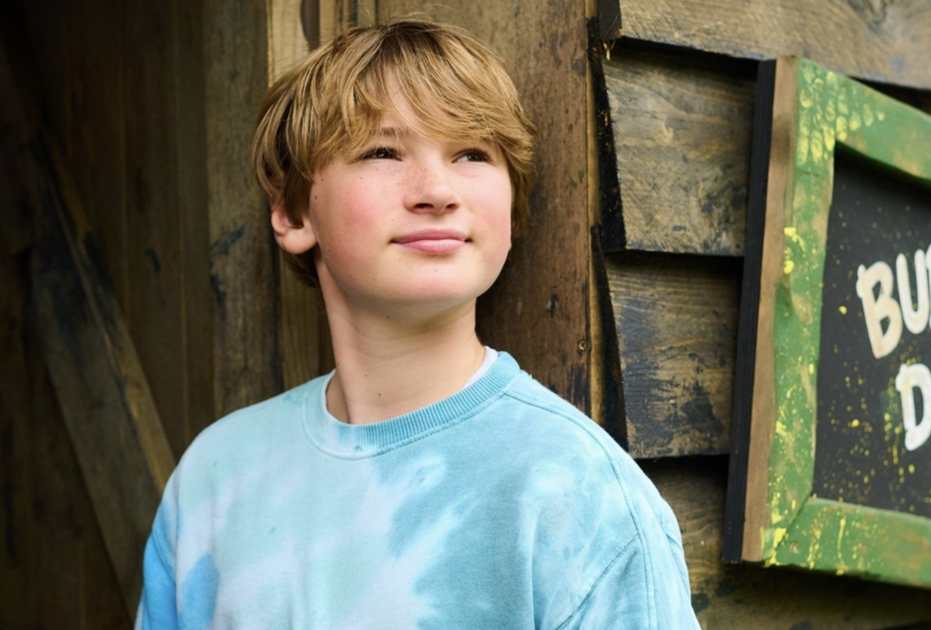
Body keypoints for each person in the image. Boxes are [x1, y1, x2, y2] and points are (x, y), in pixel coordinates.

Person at [135, 19, 699, 630]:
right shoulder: (217, 478)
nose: (436, 190)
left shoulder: (580, 494)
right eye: (382, 151)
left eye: (473, 153)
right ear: (294, 210)